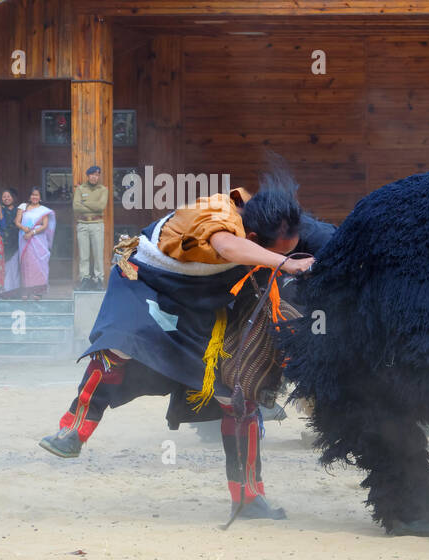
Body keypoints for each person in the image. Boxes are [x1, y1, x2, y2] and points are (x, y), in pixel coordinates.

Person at [38, 164, 315, 522]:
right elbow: (227, 247)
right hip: (147, 283)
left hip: (201, 299)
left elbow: (302, 239)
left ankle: (248, 497)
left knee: (235, 394)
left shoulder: (268, 215)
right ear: (255, 236)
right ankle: (73, 429)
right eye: (274, 252)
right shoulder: (215, 215)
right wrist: (286, 264)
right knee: (118, 345)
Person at [14, 187, 55, 300]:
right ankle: (26, 291)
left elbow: (45, 225)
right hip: (24, 238)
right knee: (26, 264)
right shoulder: (23, 207)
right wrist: (24, 228)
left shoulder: (43, 210)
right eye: (32, 195)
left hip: (38, 240)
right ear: (29, 196)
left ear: (40, 197)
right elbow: (17, 221)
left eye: (37, 195)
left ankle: (38, 291)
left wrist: (32, 232)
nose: (34, 197)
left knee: (38, 265)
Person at [73, 165, 108, 290]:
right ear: (88, 176)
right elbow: (76, 207)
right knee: (84, 255)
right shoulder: (80, 189)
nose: (95, 177)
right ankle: (85, 279)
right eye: (92, 174)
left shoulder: (103, 189)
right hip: (82, 224)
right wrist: (93, 205)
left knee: (98, 254)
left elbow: (101, 207)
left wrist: (85, 202)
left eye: (97, 175)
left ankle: (99, 279)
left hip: (97, 224)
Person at [0, 188, 22, 297]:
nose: (6, 198)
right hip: (2, 241)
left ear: (13, 197)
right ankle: (4, 290)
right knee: (4, 267)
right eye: (4, 197)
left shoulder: (19, 210)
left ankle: (14, 290)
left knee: (14, 267)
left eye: (8, 196)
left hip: (15, 241)